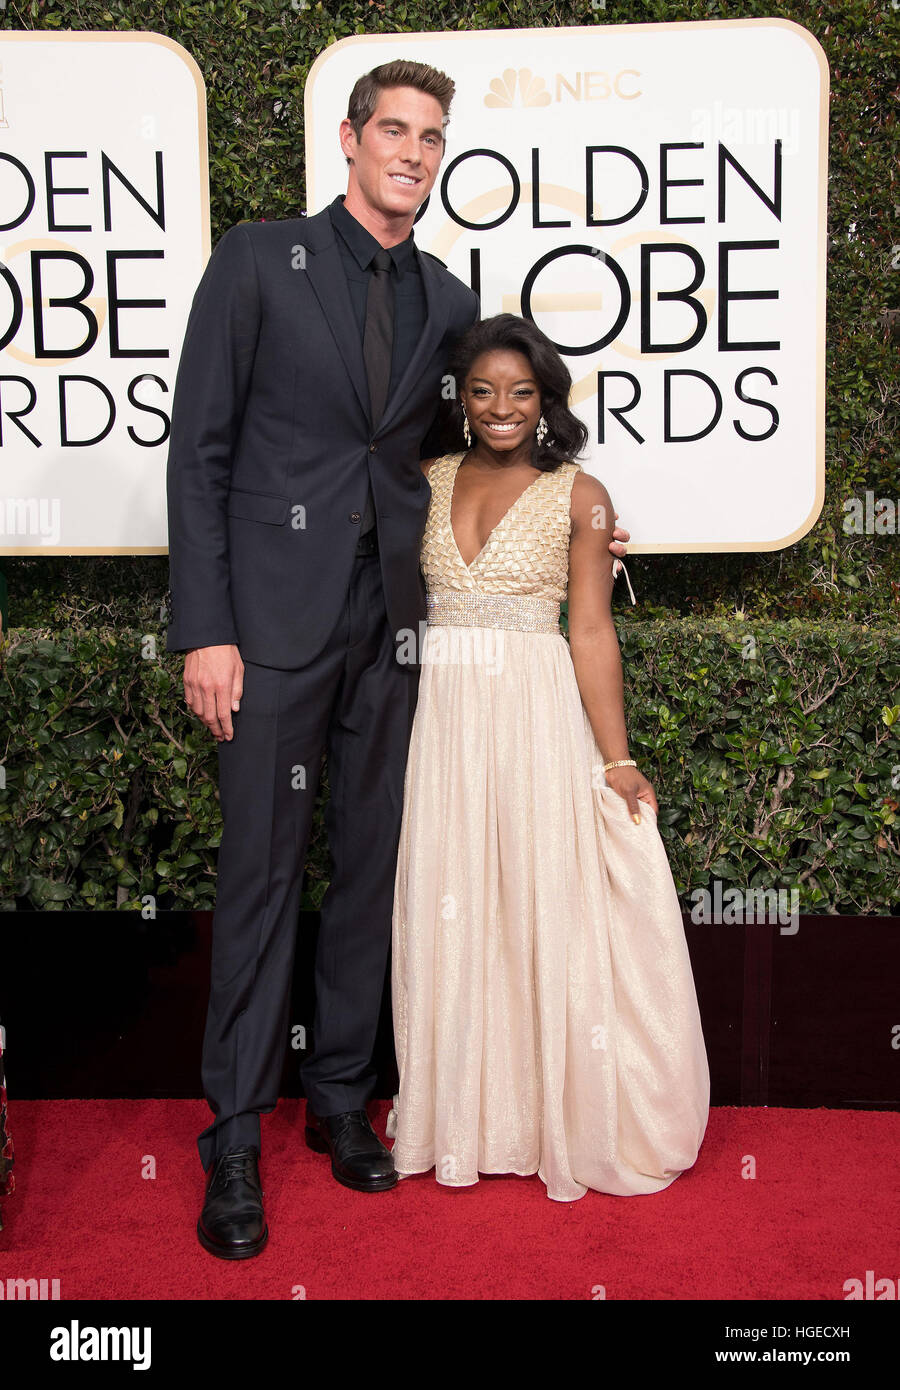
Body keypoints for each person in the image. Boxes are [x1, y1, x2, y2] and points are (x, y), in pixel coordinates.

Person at [166, 58, 635, 1256]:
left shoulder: (445, 293)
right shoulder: (261, 261)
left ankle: (338, 1105)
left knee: (376, 870)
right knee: (263, 876)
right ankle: (231, 1142)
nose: (413, 153)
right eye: (395, 130)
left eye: (431, 136)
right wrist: (204, 629)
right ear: (350, 137)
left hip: (398, 633)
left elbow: (469, 448)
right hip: (268, 634)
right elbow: (201, 453)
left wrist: (575, 510)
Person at [389, 313, 710, 1201]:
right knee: (452, 906)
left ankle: (545, 1116)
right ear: (459, 398)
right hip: (444, 720)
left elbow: (593, 629)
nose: (502, 408)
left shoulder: (581, 493)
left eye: (521, 392)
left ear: (546, 401)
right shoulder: (421, 479)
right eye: (484, 390)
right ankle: (462, 1115)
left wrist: (617, 758)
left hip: (534, 714)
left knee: (539, 901)